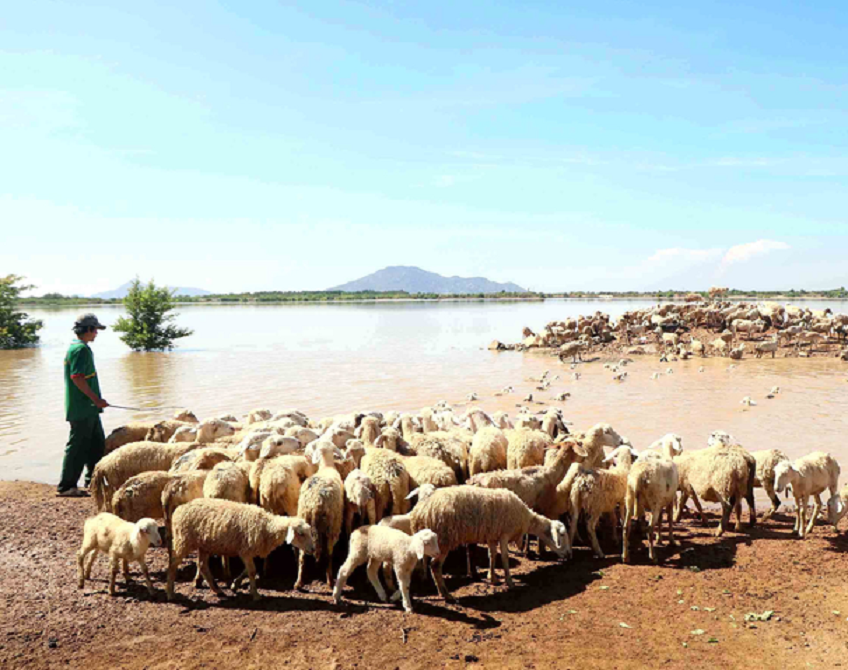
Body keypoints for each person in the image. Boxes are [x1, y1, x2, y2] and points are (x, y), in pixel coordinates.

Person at [58, 313, 109, 497]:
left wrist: (95, 403)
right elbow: (77, 377)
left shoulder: (77, 347)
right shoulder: (81, 350)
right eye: (95, 330)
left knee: (97, 445)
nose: (96, 333)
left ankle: (93, 482)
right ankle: (66, 486)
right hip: (83, 407)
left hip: (88, 408)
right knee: (77, 447)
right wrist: (95, 399)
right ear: (87, 329)